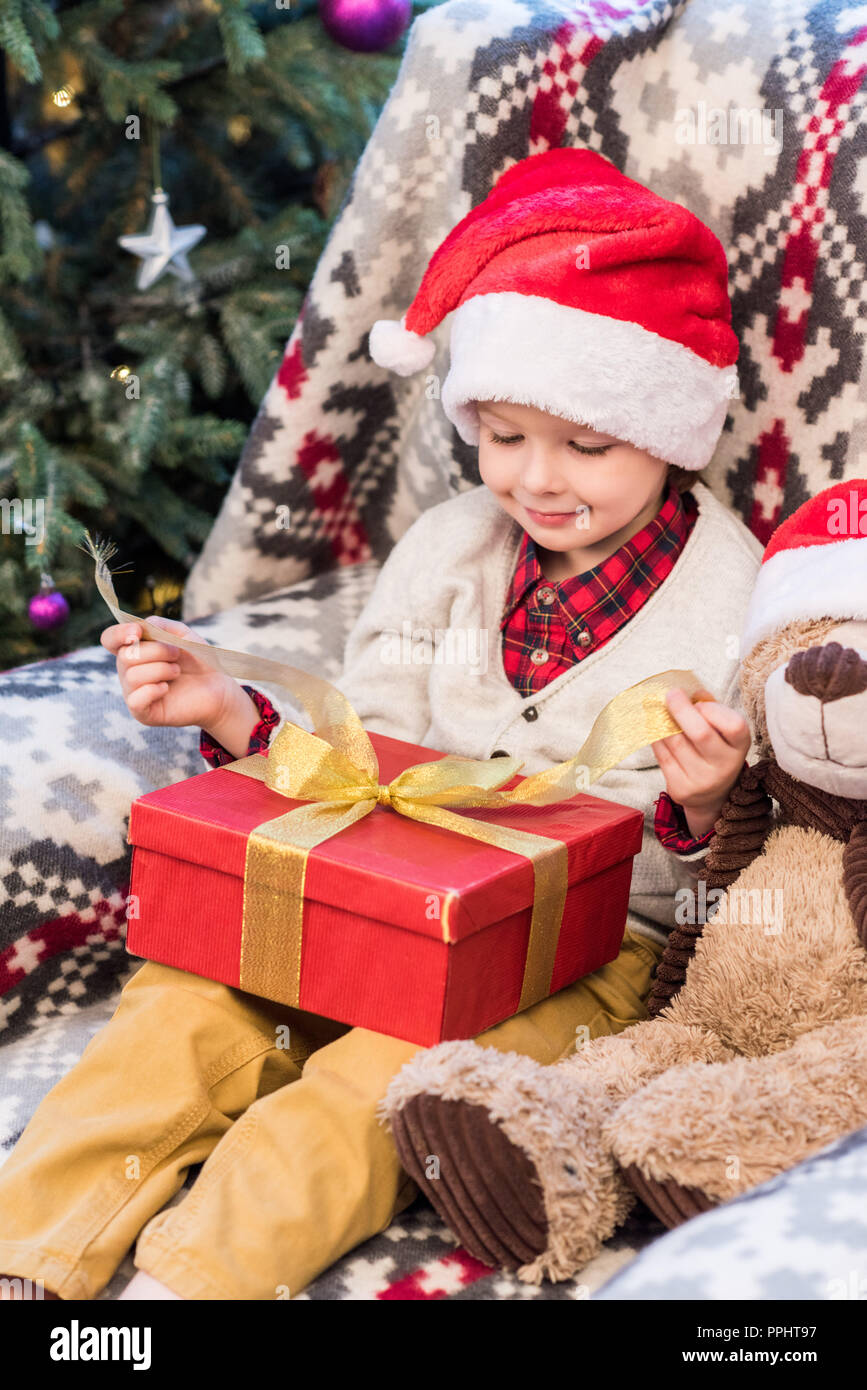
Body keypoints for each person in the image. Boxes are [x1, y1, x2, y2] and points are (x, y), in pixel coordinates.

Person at [0, 147, 761, 1300]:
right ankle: (31, 1261)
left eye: (588, 446)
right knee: (184, 1006)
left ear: (669, 427)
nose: (538, 480)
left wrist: (706, 805)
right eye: (501, 437)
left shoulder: (731, 598)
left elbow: (728, 876)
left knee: (388, 1084)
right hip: (377, 896)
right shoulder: (453, 549)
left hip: (579, 955)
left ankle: (184, 1291)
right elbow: (365, 759)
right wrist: (233, 714)